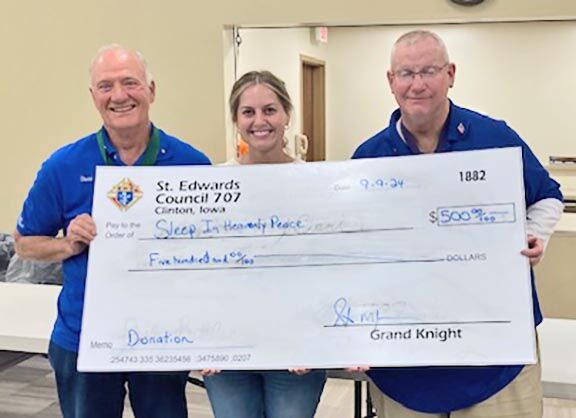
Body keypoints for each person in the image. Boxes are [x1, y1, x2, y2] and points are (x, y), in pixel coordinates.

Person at [352, 30, 563, 418]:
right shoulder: (368, 157)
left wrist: (532, 236)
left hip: (496, 360)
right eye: (406, 73)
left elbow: (547, 195)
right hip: (406, 365)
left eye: (429, 71)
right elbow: (352, 249)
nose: (417, 84)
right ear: (391, 81)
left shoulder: (494, 137)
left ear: (450, 74)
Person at [14, 44, 210, 418]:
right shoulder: (63, 165)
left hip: (160, 337)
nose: (119, 96)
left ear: (151, 90)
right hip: (84, 337)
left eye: (129, 82)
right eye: (106, 86)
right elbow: (24, 244)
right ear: (94, 97)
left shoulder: (192, 164)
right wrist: (68, 245)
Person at [202, 70, 327, 418]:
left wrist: (319, 337)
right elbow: (197, 269)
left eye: (270, 110)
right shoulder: (211, 184)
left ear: (287, 114)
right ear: (236, 120)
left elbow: (329, 267)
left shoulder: (317, 183)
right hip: (228, 352)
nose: (260, 121)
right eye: (248, 112)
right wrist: (198, 339)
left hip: (296, 350)